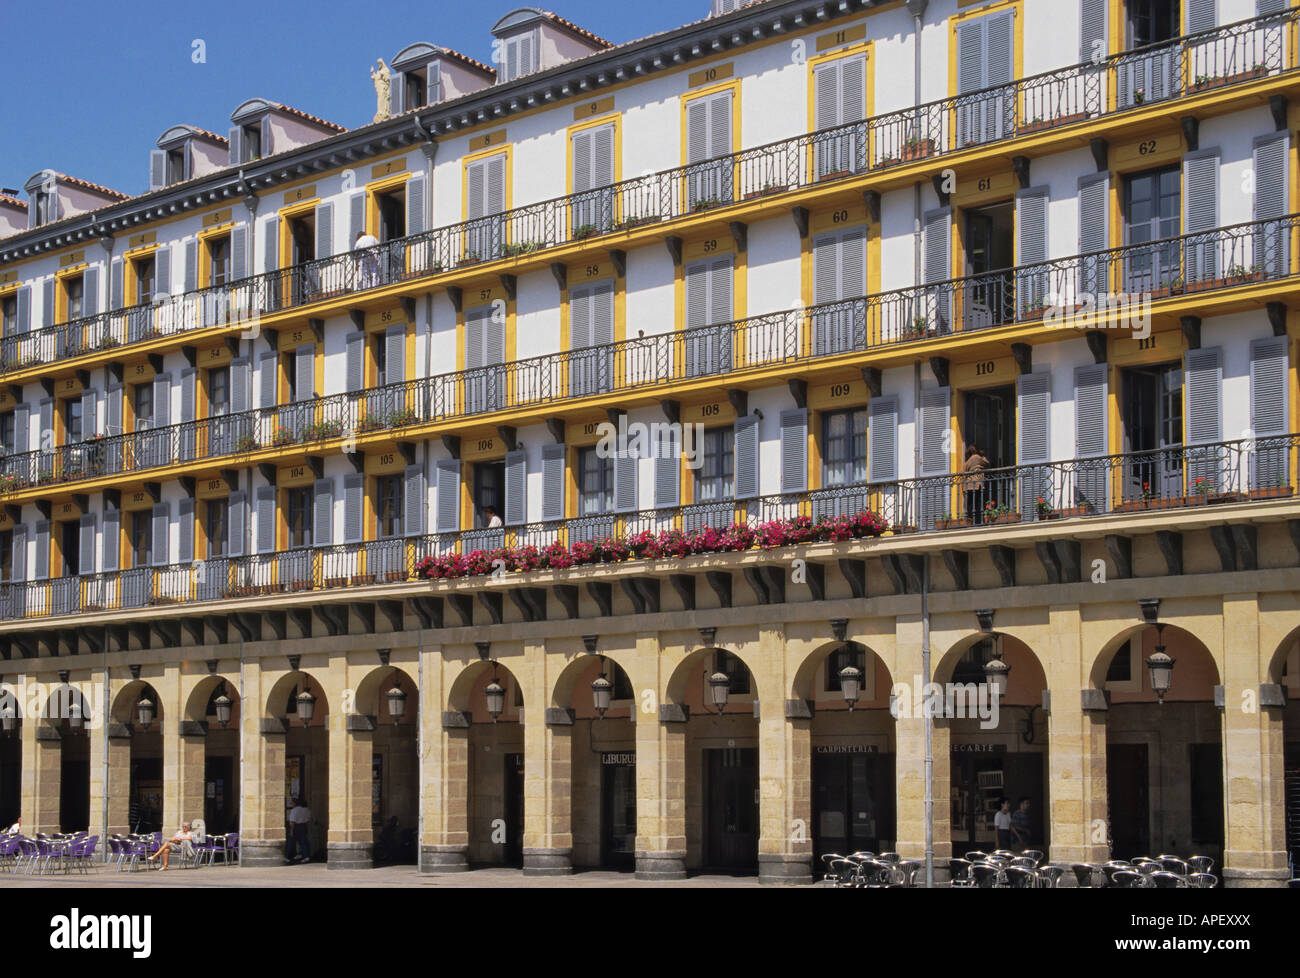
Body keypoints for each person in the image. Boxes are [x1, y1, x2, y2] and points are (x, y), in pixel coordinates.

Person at [963, 444, 990, 521]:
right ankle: (979, 519)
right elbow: (987, 463)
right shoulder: (979, 458)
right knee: (979, 503)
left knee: (971, 504)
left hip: (969, 485)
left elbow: (964, 471)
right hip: (978, 483)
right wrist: (983, 456)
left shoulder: (968, 461)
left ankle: (970, 520)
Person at [286, 798, 312, 864]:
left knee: (291, 842)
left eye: (291, 803)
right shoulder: (307, 809)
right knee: (303, 842)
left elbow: (292, 822)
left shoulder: (294, 810)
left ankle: (288, 857)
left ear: (295, 803)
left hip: (296, 827)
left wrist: (291, 831)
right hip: (304, 826)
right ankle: (305, 855)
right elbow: (308, 819)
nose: (290, 804)